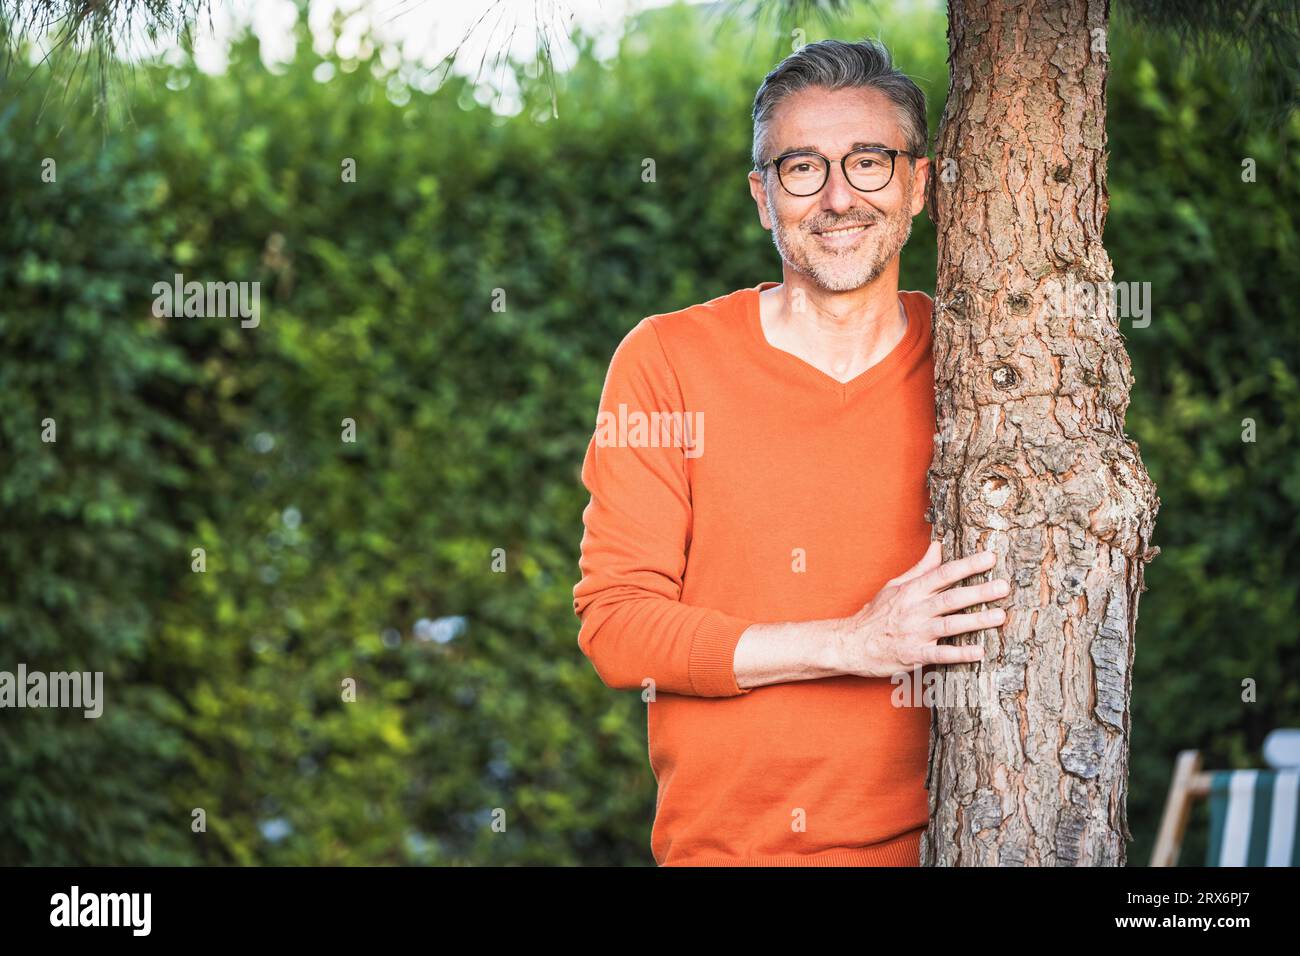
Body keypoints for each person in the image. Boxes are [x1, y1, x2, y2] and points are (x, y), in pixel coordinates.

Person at [573, 37, 1009, 866]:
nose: (839, 197)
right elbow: (618, 627)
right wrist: (850, 642)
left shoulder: (985, 366)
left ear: (919, 184)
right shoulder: (666, 361)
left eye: (869, 162)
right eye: (802, 168)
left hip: (953, 850)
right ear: (762, 197)